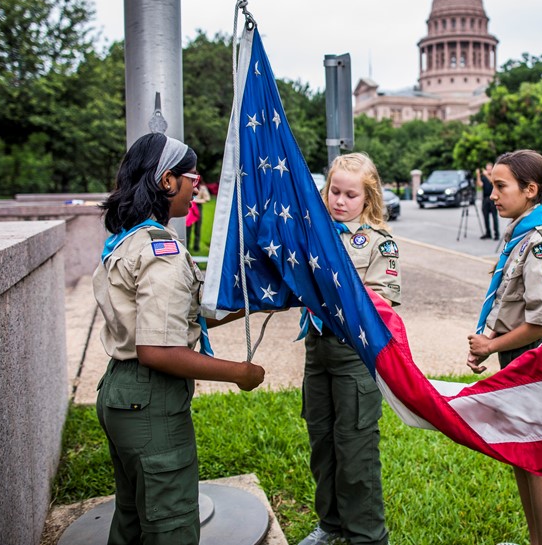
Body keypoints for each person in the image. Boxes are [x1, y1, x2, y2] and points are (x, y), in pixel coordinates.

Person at [92, 132, 266, 545]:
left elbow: (182, 317)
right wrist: (240, 373)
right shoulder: (162, 251)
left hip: (120, 390)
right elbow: (159, 350)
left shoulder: (131, 238)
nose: (197, 188)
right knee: (171, 526)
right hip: (150, 400)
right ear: (167, 181)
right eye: (192, 177)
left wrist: (257, 302)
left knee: (133, 518)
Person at [466, 149, 542, 545]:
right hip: (517, 359)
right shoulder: (521, 234)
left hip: (536, 360)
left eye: (500, 186)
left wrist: (492, 343)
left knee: (537, 462)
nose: (492, 194)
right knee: (521, 456)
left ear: (531, 190)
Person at [297, 152, 400, 545]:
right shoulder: (312, 236)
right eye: (334, 192)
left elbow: (382, 302)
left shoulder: (379, 243)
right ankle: (331, 524)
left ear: (368, 199)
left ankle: (367, 536)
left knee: (355, 449)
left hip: (355, 354)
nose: (340, 201)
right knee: (321, 442)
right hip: (316, 348)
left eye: (350, 195)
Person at [186, 179, 211, 253]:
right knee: (188, 227)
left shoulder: (202, 188)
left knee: (197, 228)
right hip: (189, 208)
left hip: (198, 207)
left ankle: (196, 246)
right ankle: (186, 245)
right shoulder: (188, 186)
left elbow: (207, 198)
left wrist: (196, 201)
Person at [478, 162, 500, 240]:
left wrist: (486, 174)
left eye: (489, 169)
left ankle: (496, 234)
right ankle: (488, 233)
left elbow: (492, 182)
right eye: (487, 169)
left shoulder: (494, 177)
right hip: (485, 198)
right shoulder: (483, 177)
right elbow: (480, 185)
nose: (488, 171)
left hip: (493, 198)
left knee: (494, 216)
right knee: (485, 216)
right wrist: (478, 175)